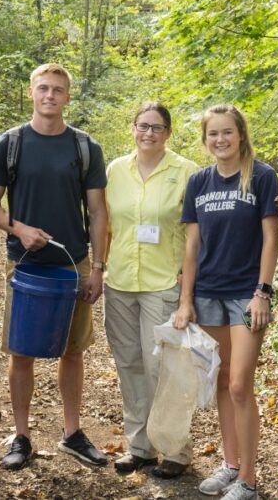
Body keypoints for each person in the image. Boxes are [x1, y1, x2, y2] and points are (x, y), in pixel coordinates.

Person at [0, 63, 109, 470]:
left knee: (73, 352)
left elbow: (97, 210)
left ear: (67, 97)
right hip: (25, 265)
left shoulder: (84, 146)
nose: (50, 95)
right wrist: (18, 228)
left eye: (58, 89)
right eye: (43, 88)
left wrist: (98, 268)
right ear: (32, 92)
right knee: (22, 352)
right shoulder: (10, 144)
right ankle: (21, 437)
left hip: (74, 264)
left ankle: (72, 433)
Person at [173, 104, 278, 500]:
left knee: (239, 385)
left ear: (241, 135)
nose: (220, 140)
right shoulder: (199, 182)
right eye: (213, 134)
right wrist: (186, 300)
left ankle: (248, 480)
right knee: (221, 381)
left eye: (227, 132)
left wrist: (262, 292)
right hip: (207, 294)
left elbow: (271, 238)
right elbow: (192, 245)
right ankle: (231, 463)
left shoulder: (262, 177)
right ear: (205, 140)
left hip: (245, 296)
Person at [104, 102, 199, 477]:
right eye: (142, 126)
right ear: (133, 128)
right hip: (121, 282)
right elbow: (106, 225)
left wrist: (187, 282)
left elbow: (194, 236)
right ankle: (139, 447)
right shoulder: (115, 170)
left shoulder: (187, 172)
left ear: (168, 133)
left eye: (157, 127)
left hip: (164, 284)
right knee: (129, 365)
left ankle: (176, 450)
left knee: (162, 367)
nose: (148, 133)